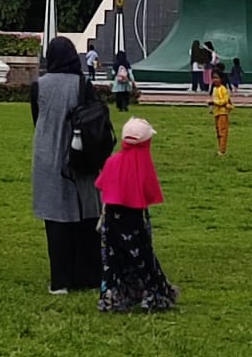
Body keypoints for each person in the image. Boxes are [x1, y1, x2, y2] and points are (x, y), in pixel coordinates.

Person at [30, 37, 102, 295]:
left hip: (47, 155)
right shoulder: (82, 84)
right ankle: (88, 276)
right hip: (79, 156)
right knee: (85, 215)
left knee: (56, 220)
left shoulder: (39, 86)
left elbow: (37, 118)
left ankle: (60, 280)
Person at [95, 117, 178, 314]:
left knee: (113, 258)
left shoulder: (113, 161)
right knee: (142, 255)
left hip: (111, 218)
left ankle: (114, 295)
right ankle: (154, 294)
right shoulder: (141, 164)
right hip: (133, 218)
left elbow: (102, 185)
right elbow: (147, 190)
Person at [210, 66, 233, 155]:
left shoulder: (223, 89)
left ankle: (222, 150)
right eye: (213, 78)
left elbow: (225, 101)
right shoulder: (215, 89)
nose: (214, 80)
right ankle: (220, 149)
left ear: (221, 79)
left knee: (222, 132)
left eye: (216, 77)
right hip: (216, 112)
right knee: (218, 132)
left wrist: (215, 102)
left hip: (222, 113)